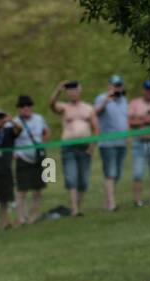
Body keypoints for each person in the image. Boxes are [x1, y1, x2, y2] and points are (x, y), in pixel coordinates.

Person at [48, 79, 98, 216]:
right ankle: (74, 209)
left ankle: (78, 207)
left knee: (83, 179)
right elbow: (51, 105)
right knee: (71, 177)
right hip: (68, 147)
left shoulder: (88, 108)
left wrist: (92, 147)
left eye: (75, 91)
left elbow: (96, 129)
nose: (73, 94)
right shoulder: (64, 107)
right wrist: (58, 90)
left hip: (85, 147)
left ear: (80, 92)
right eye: (70, 92)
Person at [92, 74, 129, 212]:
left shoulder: (124, 100)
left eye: (119, 85)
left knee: (117, 173)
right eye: (115, 85)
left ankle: (107, 201)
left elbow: (125, 119)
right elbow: (94, 113)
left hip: (121, 142)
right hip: (107, 143)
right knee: (110, 173)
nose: (117, 88)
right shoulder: (102, 98)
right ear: (109, 86)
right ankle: (111, 204)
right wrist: (106, 101)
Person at [13, 95, 49, 225]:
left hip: (38, 157)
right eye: (22, 106)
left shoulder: (39, 118)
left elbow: (46, 132)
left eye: (28, 105)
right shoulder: (15, 122)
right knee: (21, 189)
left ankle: (34, 215)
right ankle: (21, 217)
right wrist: (14, 152)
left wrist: (43, 145)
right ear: (19, 109)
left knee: (38, 188)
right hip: (23, 158)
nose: (26, 108)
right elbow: (9, 139)